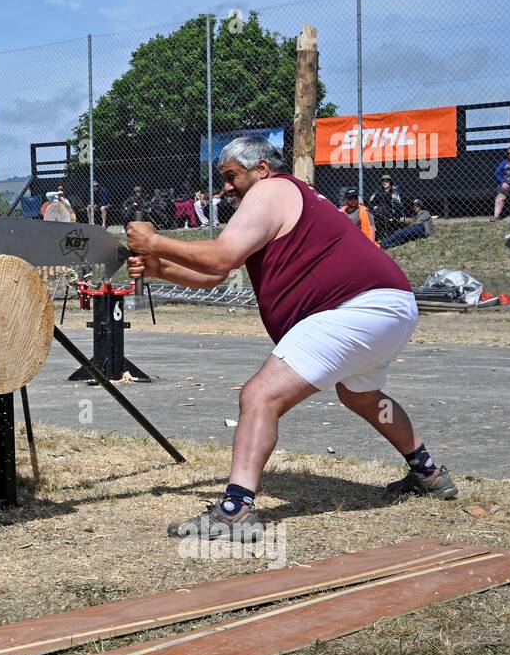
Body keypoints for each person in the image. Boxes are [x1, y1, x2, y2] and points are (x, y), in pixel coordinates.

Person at [126, 136, 454, 541]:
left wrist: (154, 242)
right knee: (361, 396)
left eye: (231, 176)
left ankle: (235, 511)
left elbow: (221, 257)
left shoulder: (269, 191)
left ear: (261, 168)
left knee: (260, 395)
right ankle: (428, 473)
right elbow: (214, 275)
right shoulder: (280, 201)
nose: (226, 187)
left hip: (356, 308)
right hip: (390, 307)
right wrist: (160, 269)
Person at [367, 175, 405, 239]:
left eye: (386, 181)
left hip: (394, 212)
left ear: (390, 182)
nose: (384, 182)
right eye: (382, 181)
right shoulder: (379, 191)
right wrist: (373, 206)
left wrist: (387, 193)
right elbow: (372, 202)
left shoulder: (395, 191)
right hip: (381, 212)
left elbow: (396, 204)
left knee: (383, 210)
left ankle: (385, 234)